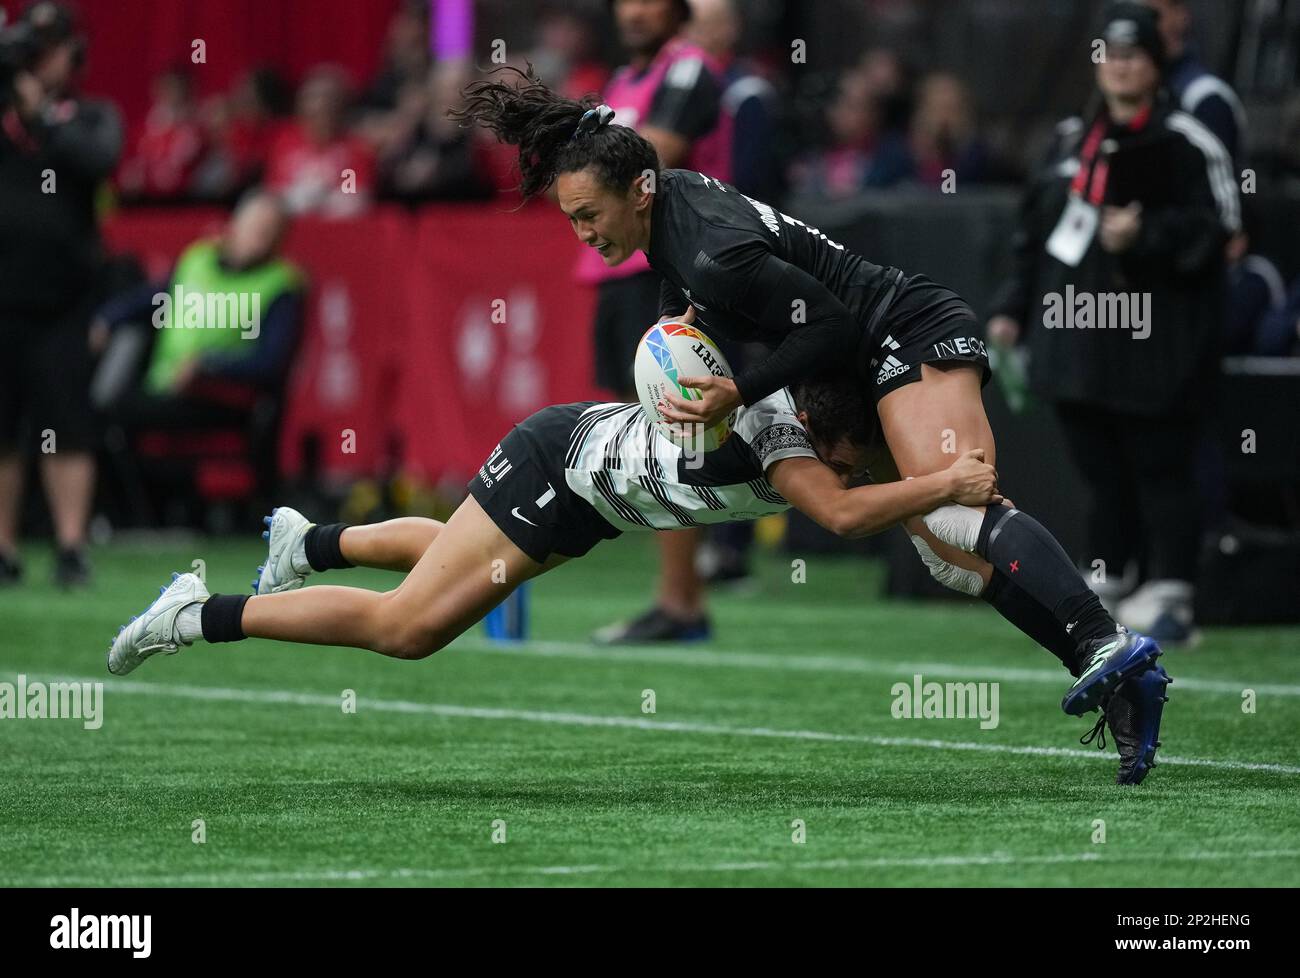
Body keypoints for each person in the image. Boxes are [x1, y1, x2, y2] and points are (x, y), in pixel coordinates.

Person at [450, 62, 1172, 784]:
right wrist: (684, 338)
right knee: (946, 559)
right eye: (571, 218)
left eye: (587, 215)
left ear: (639, 189)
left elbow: (826, 323)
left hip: (904, 328)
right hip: (861, 358)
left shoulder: (710, 247)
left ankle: (1103, 640)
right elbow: (711, 295)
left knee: (957, 512)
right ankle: (1120, 676)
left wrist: (737, 393)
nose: (581, 234)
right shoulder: (669, 211)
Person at [987, 2, 1239, 644]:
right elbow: (1033, 236)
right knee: (1100, 471)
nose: (1121, 66)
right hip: (1078, 337)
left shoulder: (1188, 140)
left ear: (1157, 66)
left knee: (1160, 466)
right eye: (1110, 54)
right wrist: (1013, 310)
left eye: (1135, 55)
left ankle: (1173, 593)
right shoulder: (1073, 141)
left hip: (1158, 340)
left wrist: (1147, 233)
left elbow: (1222, 234)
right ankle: (1110, 584)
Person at [0, 0, 122, 588]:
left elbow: (97, 160)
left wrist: (42, 112)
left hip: (64, 301)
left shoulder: (92, 115)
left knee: (67, 424)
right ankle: (3, 548)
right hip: (2, 296)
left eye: (51, 47)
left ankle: (71, 546)